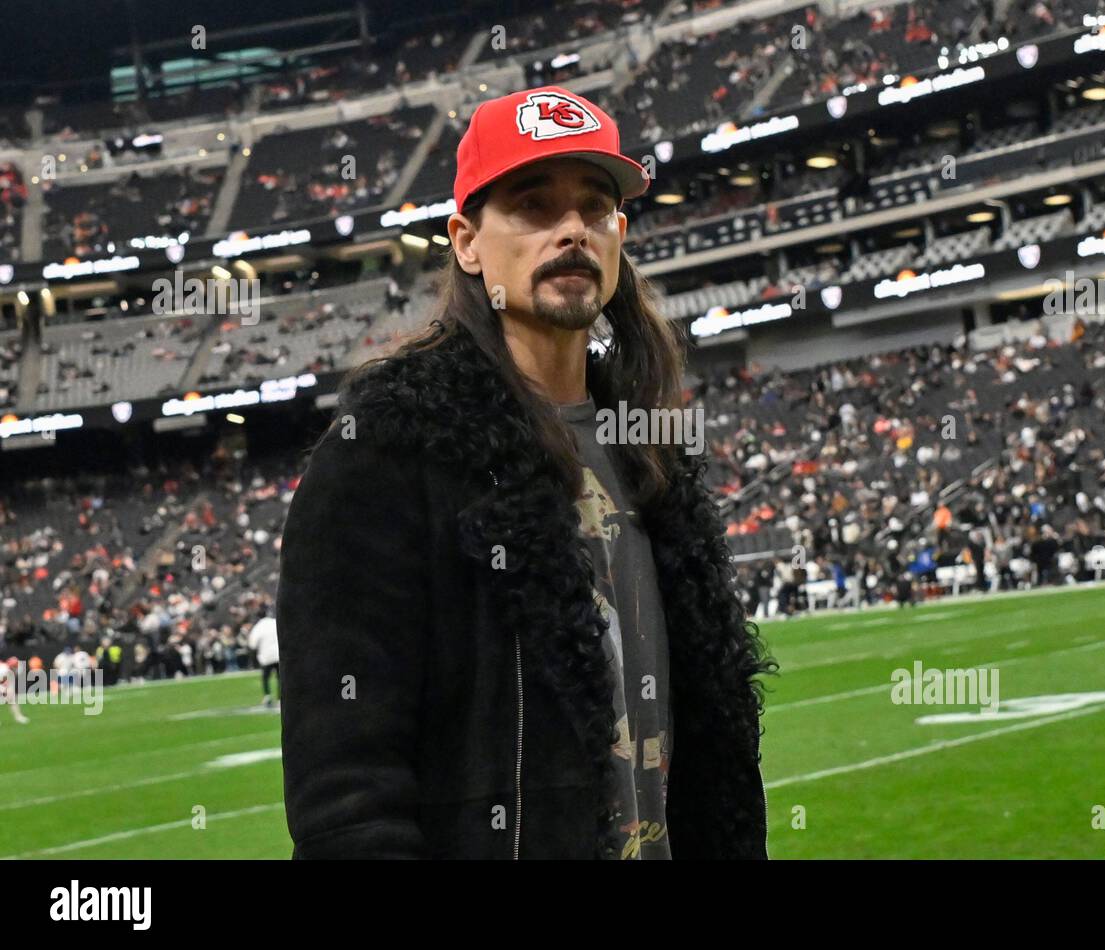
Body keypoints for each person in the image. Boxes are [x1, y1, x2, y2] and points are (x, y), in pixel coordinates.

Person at [277, 85, 775, 860]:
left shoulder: (651, 452)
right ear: (468, 242)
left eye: (594, 206)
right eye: (534, 205)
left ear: (619, 234)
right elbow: (347, 793)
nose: (571, 228)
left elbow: (714, 760)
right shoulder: (384, 450)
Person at [246, 613, 280, 708]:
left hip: (266, 656)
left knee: (265, 677)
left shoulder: (258, 627)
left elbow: (252, 644)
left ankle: (267, 696)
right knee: (280, 678)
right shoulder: (274, 622)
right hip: (278, 654)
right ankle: (280, 698)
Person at [1, 657, 30, 725]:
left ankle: (18, 717)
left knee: (12, 698)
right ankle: (18, 717)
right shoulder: (3, 670)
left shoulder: (7, 670)